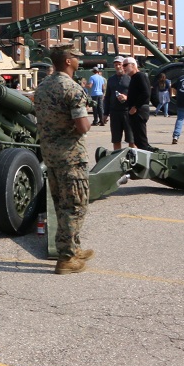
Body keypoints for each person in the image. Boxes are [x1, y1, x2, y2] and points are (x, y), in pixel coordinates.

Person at [33, 45, 93, 275]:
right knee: (76, 205)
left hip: (51, 155)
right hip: (71, 156)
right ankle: (66, 259)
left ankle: (72, 248)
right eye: (76, 57)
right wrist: (86, 121)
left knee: (61, 204)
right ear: (68, 61)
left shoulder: (43, 86)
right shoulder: (72, 89)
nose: (79, 60)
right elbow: (82, 126)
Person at [122, 57, 156, 151]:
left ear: (133, 65)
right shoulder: (133, 78)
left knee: (141, 140)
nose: (123, 67)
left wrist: (135, 106)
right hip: (134, 111)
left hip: (140, 111)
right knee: (137, 140)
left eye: (125, 65)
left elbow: (146, 93)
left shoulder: (140, 76)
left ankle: (147, 159)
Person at [103, 58, 133, 150]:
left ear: (123, 65)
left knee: (132, 140)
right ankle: (117, 160)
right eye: (116, 65)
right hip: (114, 113)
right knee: (116, 140)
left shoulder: (130, 78)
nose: (117, 66)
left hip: (128, 112)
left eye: (119, 64)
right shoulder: (111, 79)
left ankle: (133, 161)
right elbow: (107, 97)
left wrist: (127, 97)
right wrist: (105, 113)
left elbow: (137, 94)